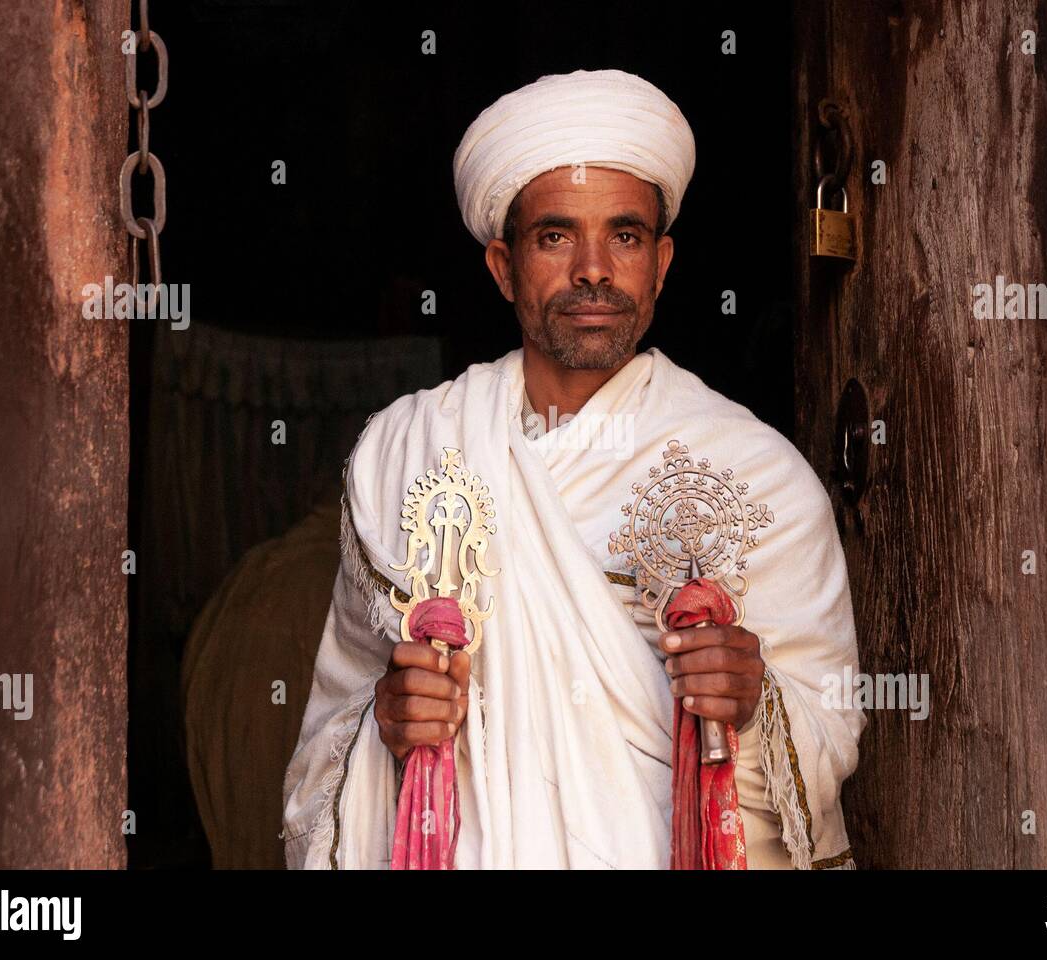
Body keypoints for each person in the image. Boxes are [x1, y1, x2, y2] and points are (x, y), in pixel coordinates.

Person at [281, 68, 865, 869]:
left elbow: (832, 735)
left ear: (661, 263)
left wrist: (754, 701)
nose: (593, 269)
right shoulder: (407, 455)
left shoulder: (760, 477)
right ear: (502, 266)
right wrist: (387, 721)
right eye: (557, 236)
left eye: (623, 236)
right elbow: (327, 738)